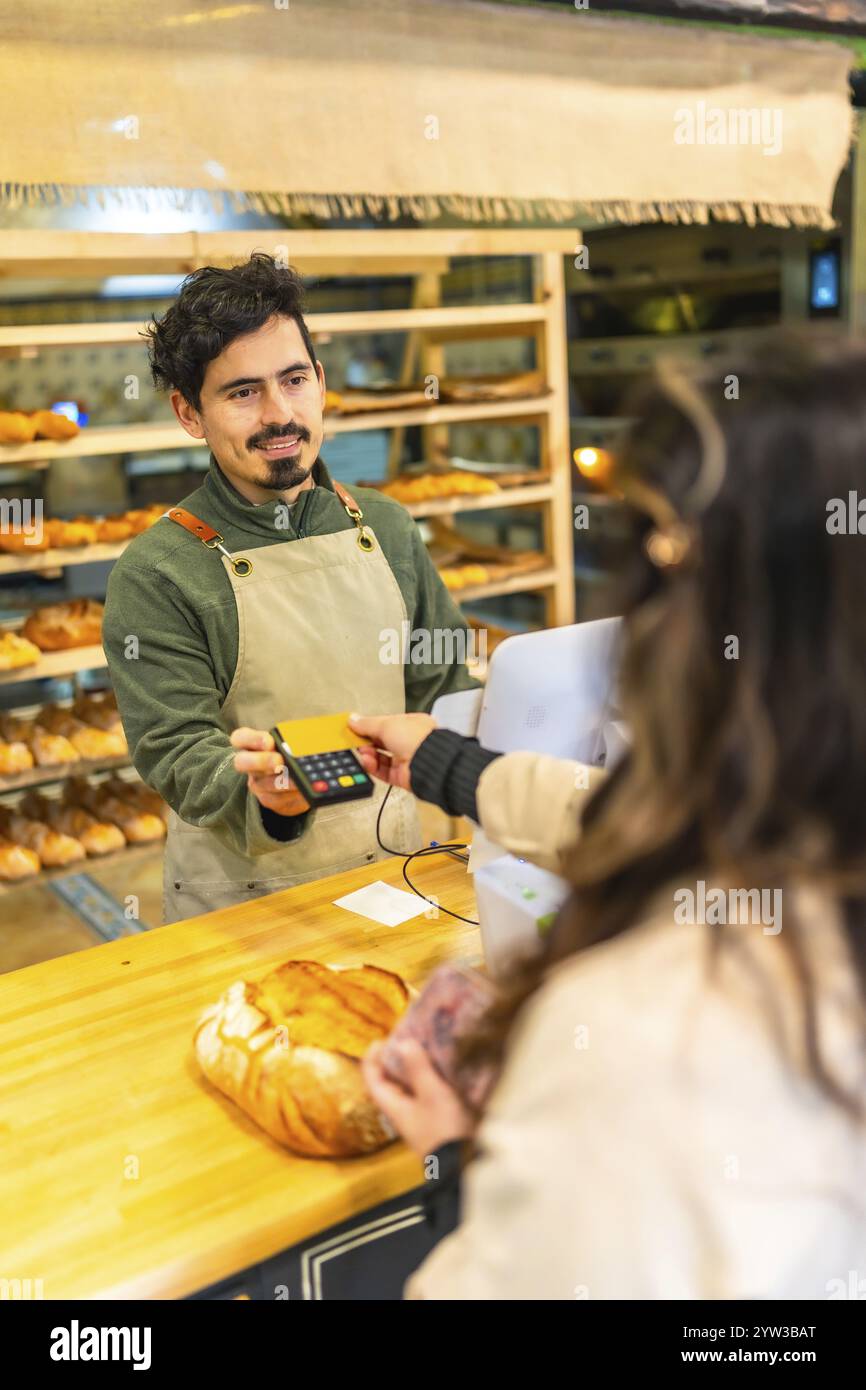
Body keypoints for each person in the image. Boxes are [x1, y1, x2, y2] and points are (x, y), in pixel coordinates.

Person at [351, 336, 866, 1299]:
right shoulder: (816, 858)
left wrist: (462, 1169)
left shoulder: (644, 1035)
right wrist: (449, 764)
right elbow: (632, 820)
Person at [103, 254, 480, 924]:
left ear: (321, 381)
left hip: (395, 874)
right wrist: (266, 796)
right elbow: (178, 751)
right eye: (243, 392)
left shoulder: (387, 527)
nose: (281, 415)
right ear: (190, 414)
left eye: (294, 379)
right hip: (242, 903)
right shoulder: (157, 572)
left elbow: (443, 686)